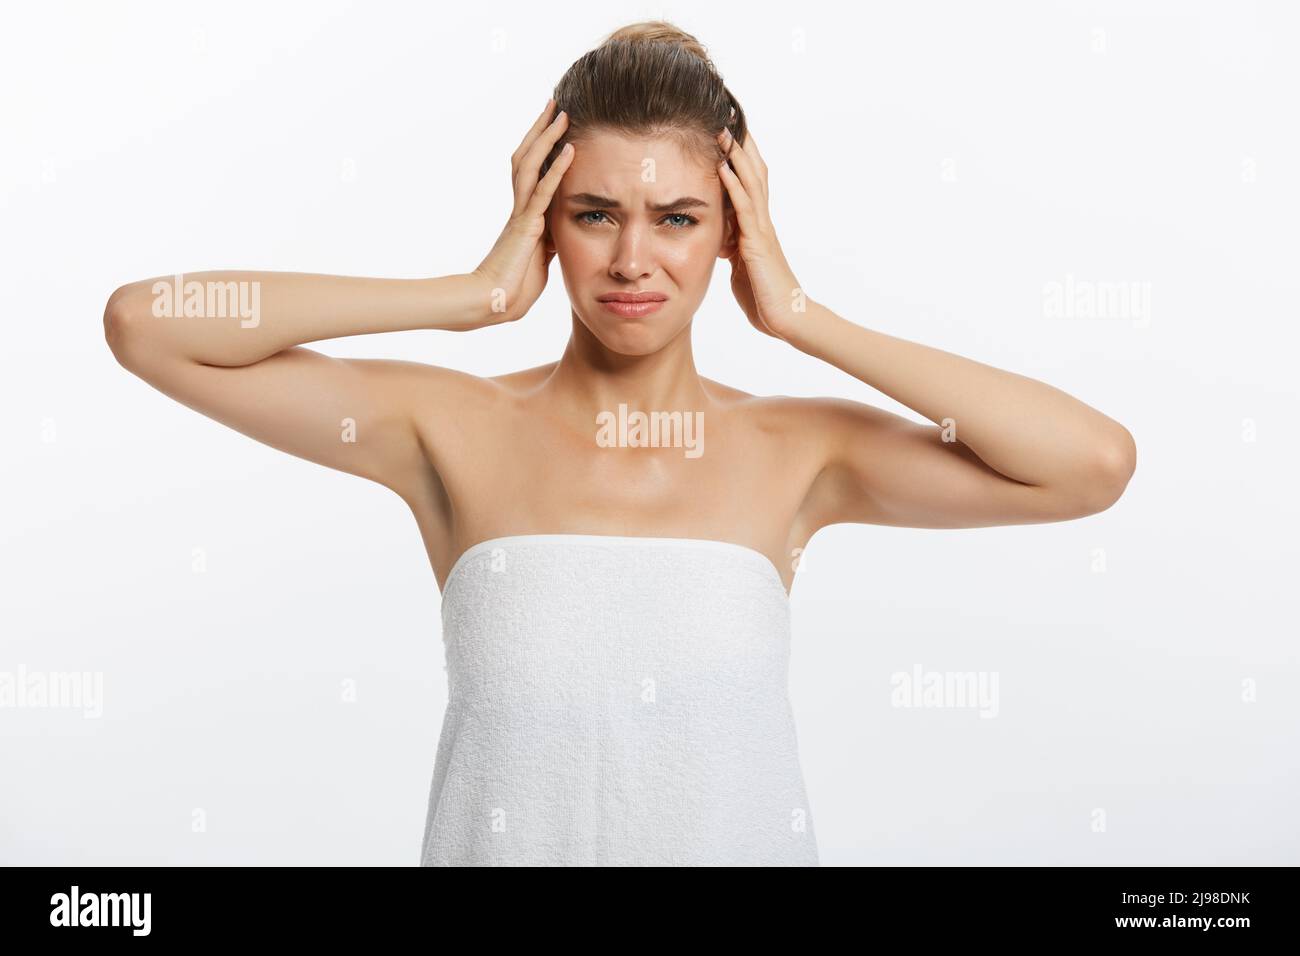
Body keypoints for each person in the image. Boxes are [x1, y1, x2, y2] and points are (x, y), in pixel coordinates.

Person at [103, 21, 1136, 866]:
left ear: (732, 231)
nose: (632, 259)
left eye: (678, 218)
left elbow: (1090, 462)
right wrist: (469, 296)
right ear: (544, 218)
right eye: (594, 213)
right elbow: (148, 324)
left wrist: (802, 314)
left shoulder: (799, 453)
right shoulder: (450, 430)